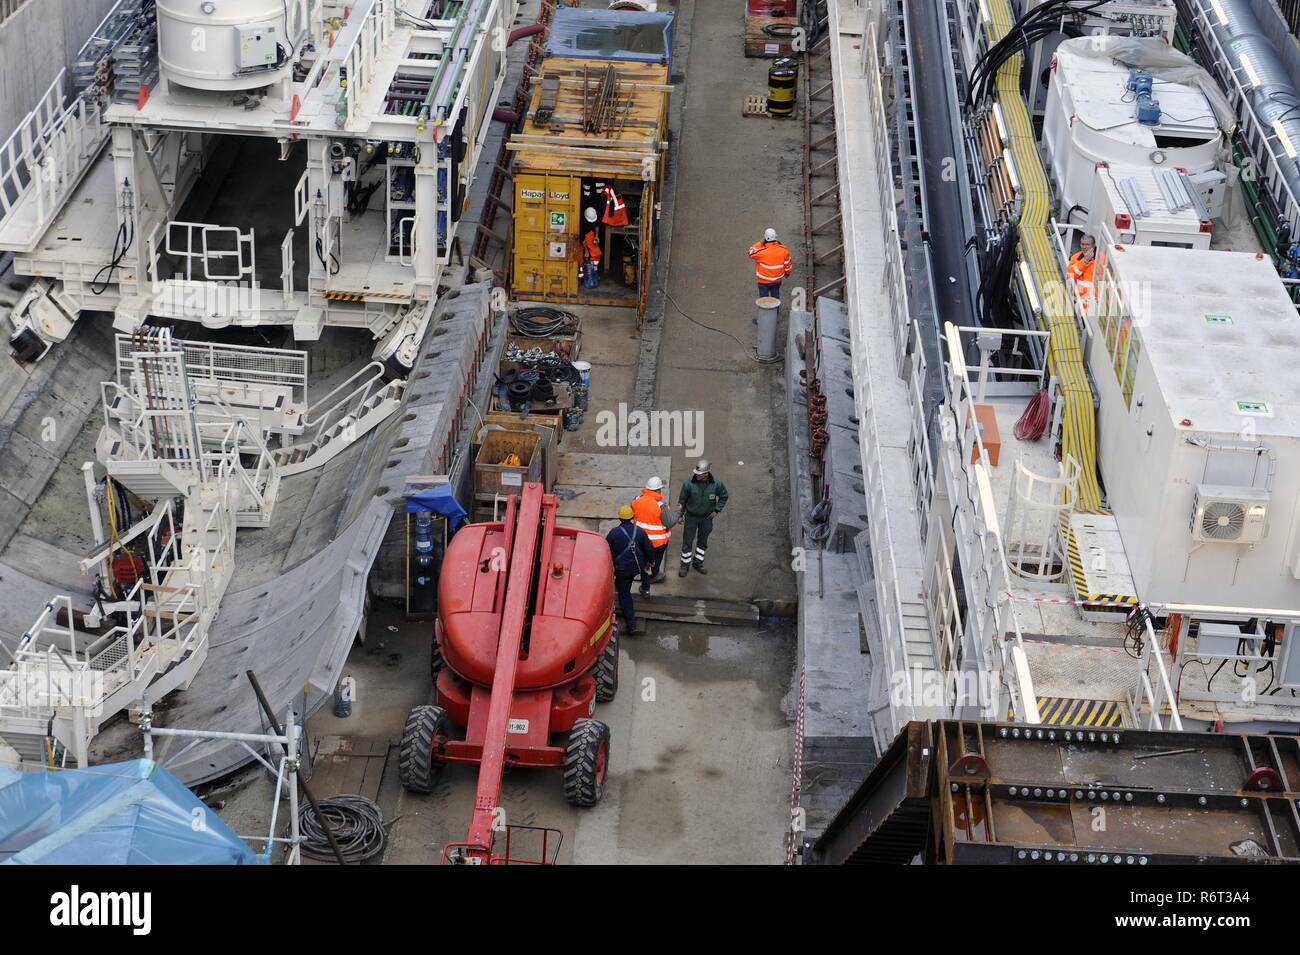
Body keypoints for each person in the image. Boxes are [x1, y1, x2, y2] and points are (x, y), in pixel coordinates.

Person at [606, 504, 654, 634]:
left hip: (623, 570)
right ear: (632, 517)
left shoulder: (614, 533)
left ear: (620, 518)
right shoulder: (639, 531)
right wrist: (650, 562)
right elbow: (649, 548)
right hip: (637, 566)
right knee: (642, 574)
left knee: (624, 595)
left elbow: (606, 550)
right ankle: (645, 590)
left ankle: (632, 624)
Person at [677, 459, 728, 577]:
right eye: (696, 473)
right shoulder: (688, 484)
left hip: (706, 518)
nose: (696, 475)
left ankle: (698, 563)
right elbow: (682, 501)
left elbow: (724, 496)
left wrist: (716, 510)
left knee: (702, 541)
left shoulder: (717, 484)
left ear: (706, 474)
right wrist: (680, 515)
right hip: (691, 517)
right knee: (687, 541)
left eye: (699, 474)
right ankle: (685, 565)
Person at [631, 475, 679, 595]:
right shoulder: (660, 506)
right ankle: (653, 576)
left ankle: (644, 580)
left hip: (640, 539)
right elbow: (669, 522)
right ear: (658, 490)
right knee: (655, 562)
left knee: (643, 560)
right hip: (657, 543)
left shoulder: (636, 500)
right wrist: (678, 514)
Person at [748, 228, 793, 298]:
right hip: (777, 280)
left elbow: (751, 252)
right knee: (775, 298)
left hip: (763, 281)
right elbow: (787, 264)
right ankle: (776, 308)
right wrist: (787, 273)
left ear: (765, 238)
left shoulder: (761, 252)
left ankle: (764, 308)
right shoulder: (783, 250)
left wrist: (760, 243)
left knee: (763, 300)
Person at [1067, 233, 1097, 313]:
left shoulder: (1099, 260)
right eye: (1082, 244)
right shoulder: (1075, 257)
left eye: (1087, 244)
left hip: (1092, 301)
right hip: (1078, 299)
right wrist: (1085, 261)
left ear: (1093, 246)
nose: (1084, 247)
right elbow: (1071, 274)